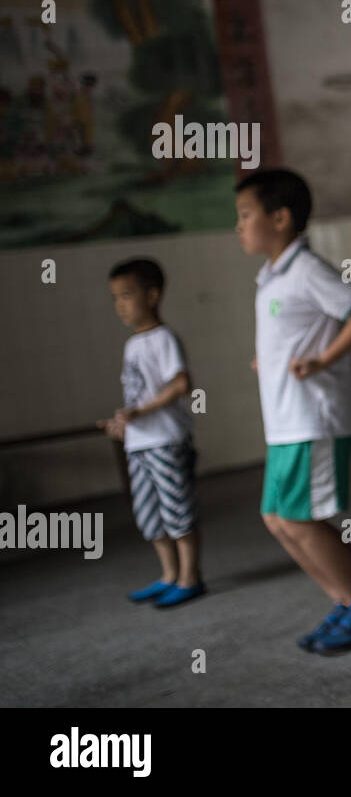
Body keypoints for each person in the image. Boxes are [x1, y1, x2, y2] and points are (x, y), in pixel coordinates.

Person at [234, 168, 351, 653]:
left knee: (301, 519)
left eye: (246, 215)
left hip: (313, 417)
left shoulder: (307, 269)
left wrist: (323, 359)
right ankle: (344, 603)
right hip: (284, 420)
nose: (238, 226)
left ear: (280, 218)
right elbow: (296, 331)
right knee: (277, 519)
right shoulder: (271, 277)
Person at [99, 257, 205, 608]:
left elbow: (181, 384)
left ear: (153, 295)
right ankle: (168, 575)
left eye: (127, 295)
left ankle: (190, 578)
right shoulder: (132, 345)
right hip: (139, 443)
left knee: (177, 509)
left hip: (165, 440)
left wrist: (141, 412)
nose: (120, 304)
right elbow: (137, 394)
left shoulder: (164, 338)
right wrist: (124, 424)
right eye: (116, 297)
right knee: (149, 514)